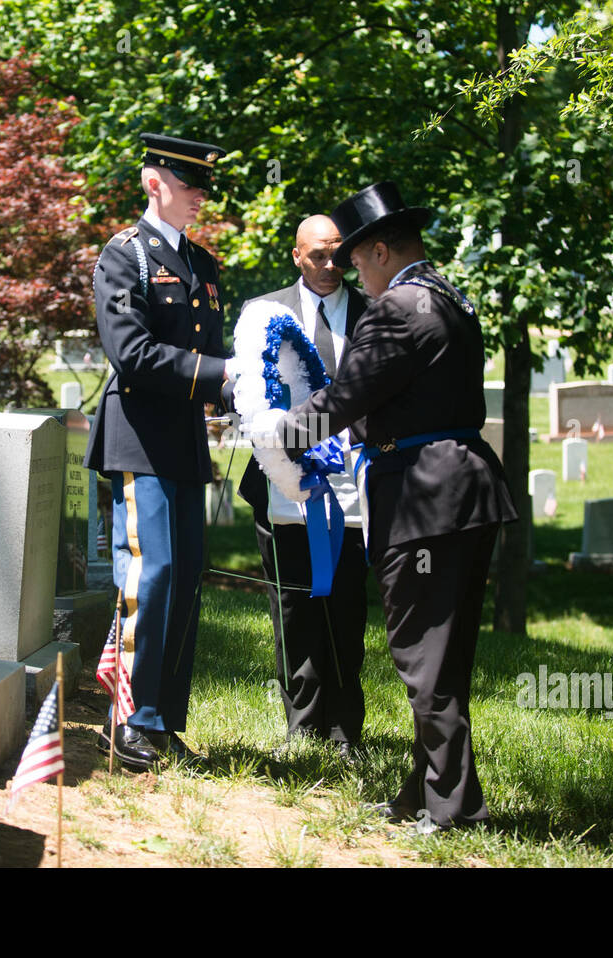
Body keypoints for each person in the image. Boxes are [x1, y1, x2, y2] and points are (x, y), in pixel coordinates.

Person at [263, 182, 517, 830]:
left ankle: (456, 810)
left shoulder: (396, 307)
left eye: (355, 262)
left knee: (422, 657)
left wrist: (271, 435)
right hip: (466, 492)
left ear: (379, 251)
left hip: (426, 499)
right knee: (445, 657)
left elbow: (341, 402)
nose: (354, 277)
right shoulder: (449, 299)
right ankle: (427, 792)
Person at [85, 133, 232, 771]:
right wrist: (222, 375)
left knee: (186, 580)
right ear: (154, 183)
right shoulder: (125, 258)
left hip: (183, 443)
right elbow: (133, 355)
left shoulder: (203, 265)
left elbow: (213, 362)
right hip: (138, 437)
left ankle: (164, 718)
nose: (201, 195)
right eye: (189, 182)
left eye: (204, 184)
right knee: (152, 576)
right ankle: (129, 720)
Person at [238, 215, 370, 759]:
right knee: (293, 606)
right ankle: (304, 723)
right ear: (297, 256)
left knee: (346, 606)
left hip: (355, 482)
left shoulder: (374, 311)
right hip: (285, 483)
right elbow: (245, 390)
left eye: (339, 253)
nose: (331, 265)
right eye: (318, 254)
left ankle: (345, 728)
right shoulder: (266, 313)